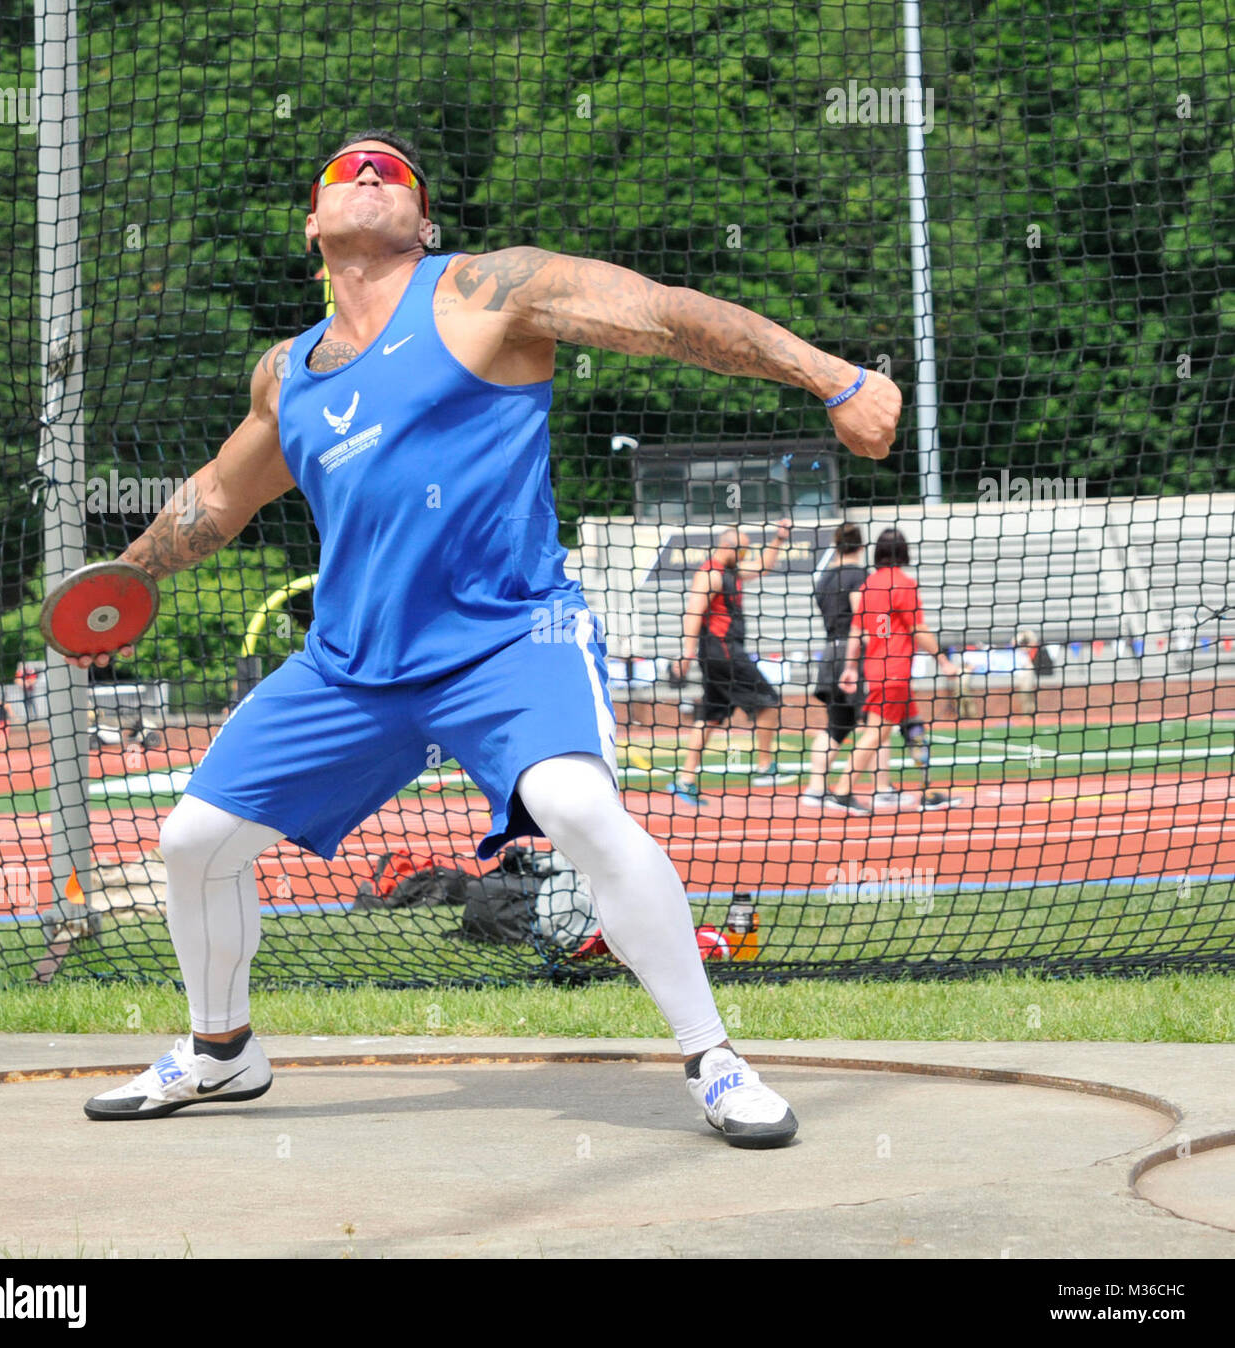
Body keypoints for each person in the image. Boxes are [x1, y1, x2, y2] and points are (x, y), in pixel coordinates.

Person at [67, 130, 900, 1146]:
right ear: (312, 224)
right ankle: (222, 1049)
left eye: (393, 170)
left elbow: (665, 317)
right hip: (353, 663)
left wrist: (833, 377)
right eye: (342, 169)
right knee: (193, 841)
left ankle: (714, 1059)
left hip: (508, 638)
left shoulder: (485, 293)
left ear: (424, 221)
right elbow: (217, 497)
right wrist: (123, 585)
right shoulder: (288, 375)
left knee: (575, 807)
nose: (366, 171)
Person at [667, 520, 792, 807]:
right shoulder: (710, 573)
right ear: (729, 546)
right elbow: (693, 612)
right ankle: (765, 767)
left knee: (710, 717)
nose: (746, 556)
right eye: (743, 551)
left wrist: (779, 540)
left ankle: (685, 781)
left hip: (720, 654)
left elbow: (762, 567)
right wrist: (686, 653)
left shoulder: (730, 572)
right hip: (722, 651)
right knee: (769, 702)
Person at [832, 529, 958, 811]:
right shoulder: (904, 585)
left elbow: (856, 631)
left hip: (878, 668)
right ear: (903, 552)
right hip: (895, 671)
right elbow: (919, 630)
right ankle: (841, 792)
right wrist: (944, 661)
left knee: (914, 727)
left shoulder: (868, 586)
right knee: (877, 732)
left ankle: (927, 791)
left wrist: (851, 667)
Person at [801, 523, 867, 808]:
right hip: (852, 654)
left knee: (835, 726)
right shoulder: (859, 576)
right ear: (861, 547)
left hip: (829, 654)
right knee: (877, 722)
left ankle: (816, 789)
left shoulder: (824, 579)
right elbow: (861, 616)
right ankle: (884, 786)